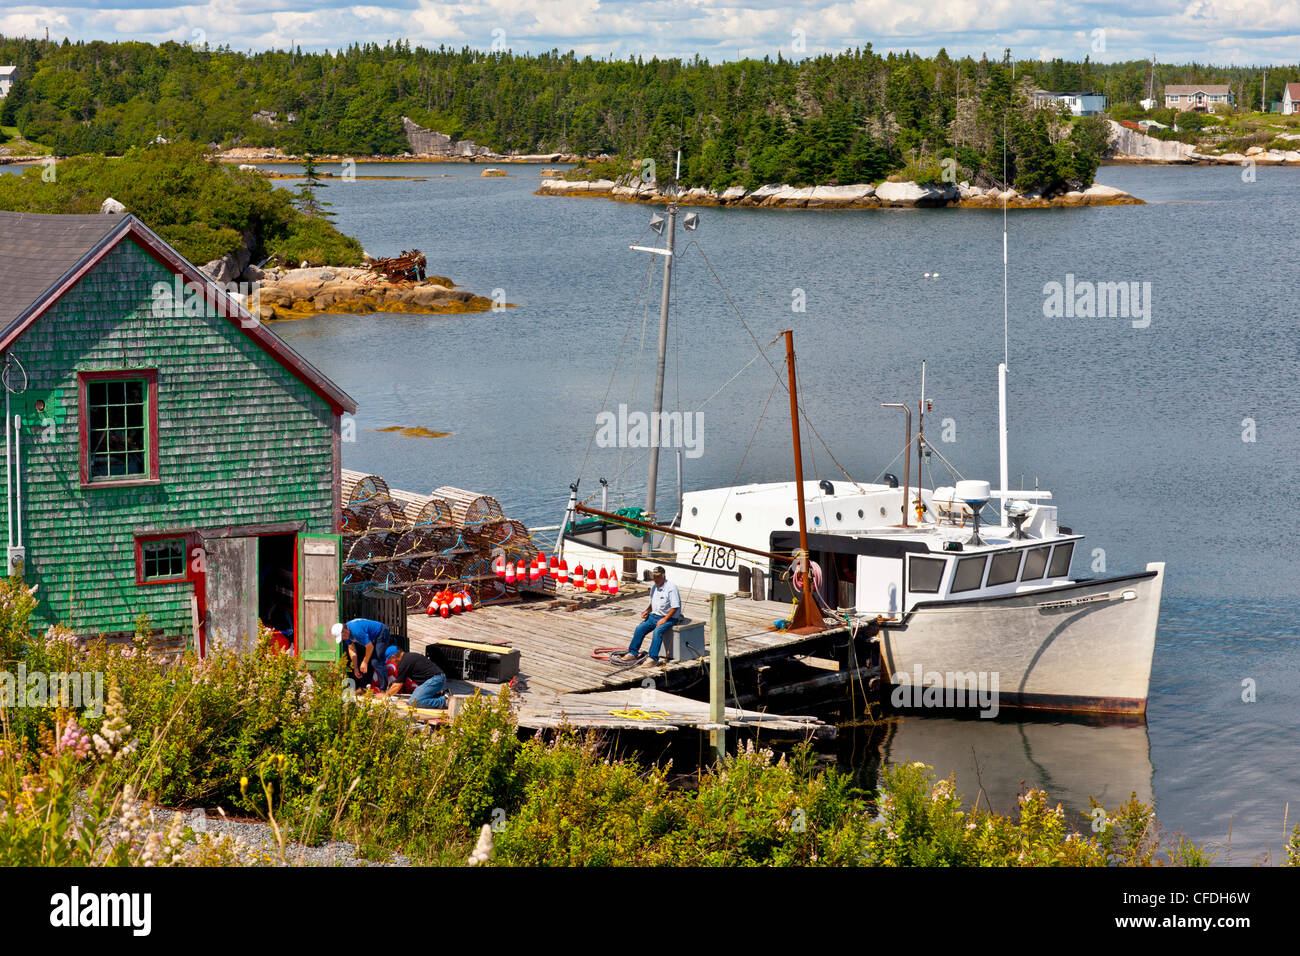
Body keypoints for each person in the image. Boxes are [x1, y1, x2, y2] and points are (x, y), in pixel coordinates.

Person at [622, 566, 681, 666]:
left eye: (658, 577)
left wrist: (665, 619)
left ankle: (653, 658)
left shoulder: (671, 588)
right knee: (640, 628)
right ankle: (632, 652)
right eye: (654, 577)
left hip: (670, 618)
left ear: (664, 576)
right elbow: (653, 604)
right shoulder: (654, 587)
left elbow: (675, 607)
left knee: (657, 632)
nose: (656, 579)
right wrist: (647, 611)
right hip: (654, 615)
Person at [333, 618, 392, 691]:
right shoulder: (347, 635)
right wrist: (356, 668)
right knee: (366, 662)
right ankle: (365, 688)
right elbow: (352, 650)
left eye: (342, 637)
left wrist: (365, 662)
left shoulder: (356, 631)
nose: (343, 639)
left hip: (381, 632)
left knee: (376, 661)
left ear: (345, 631)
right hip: (371, 638)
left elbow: (370, 647)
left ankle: (383, 690)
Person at [383, 647, 450, 709]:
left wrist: (384, 696)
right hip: (437, 678)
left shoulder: (403, 663)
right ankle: (441, 695)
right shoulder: (407, 657)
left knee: (415, 702)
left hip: (436, 679)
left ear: (393, 657)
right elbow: (398, 682)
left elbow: (397, 686)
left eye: (390, 660)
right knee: (419, 698)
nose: (391, 662)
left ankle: (444, 701)